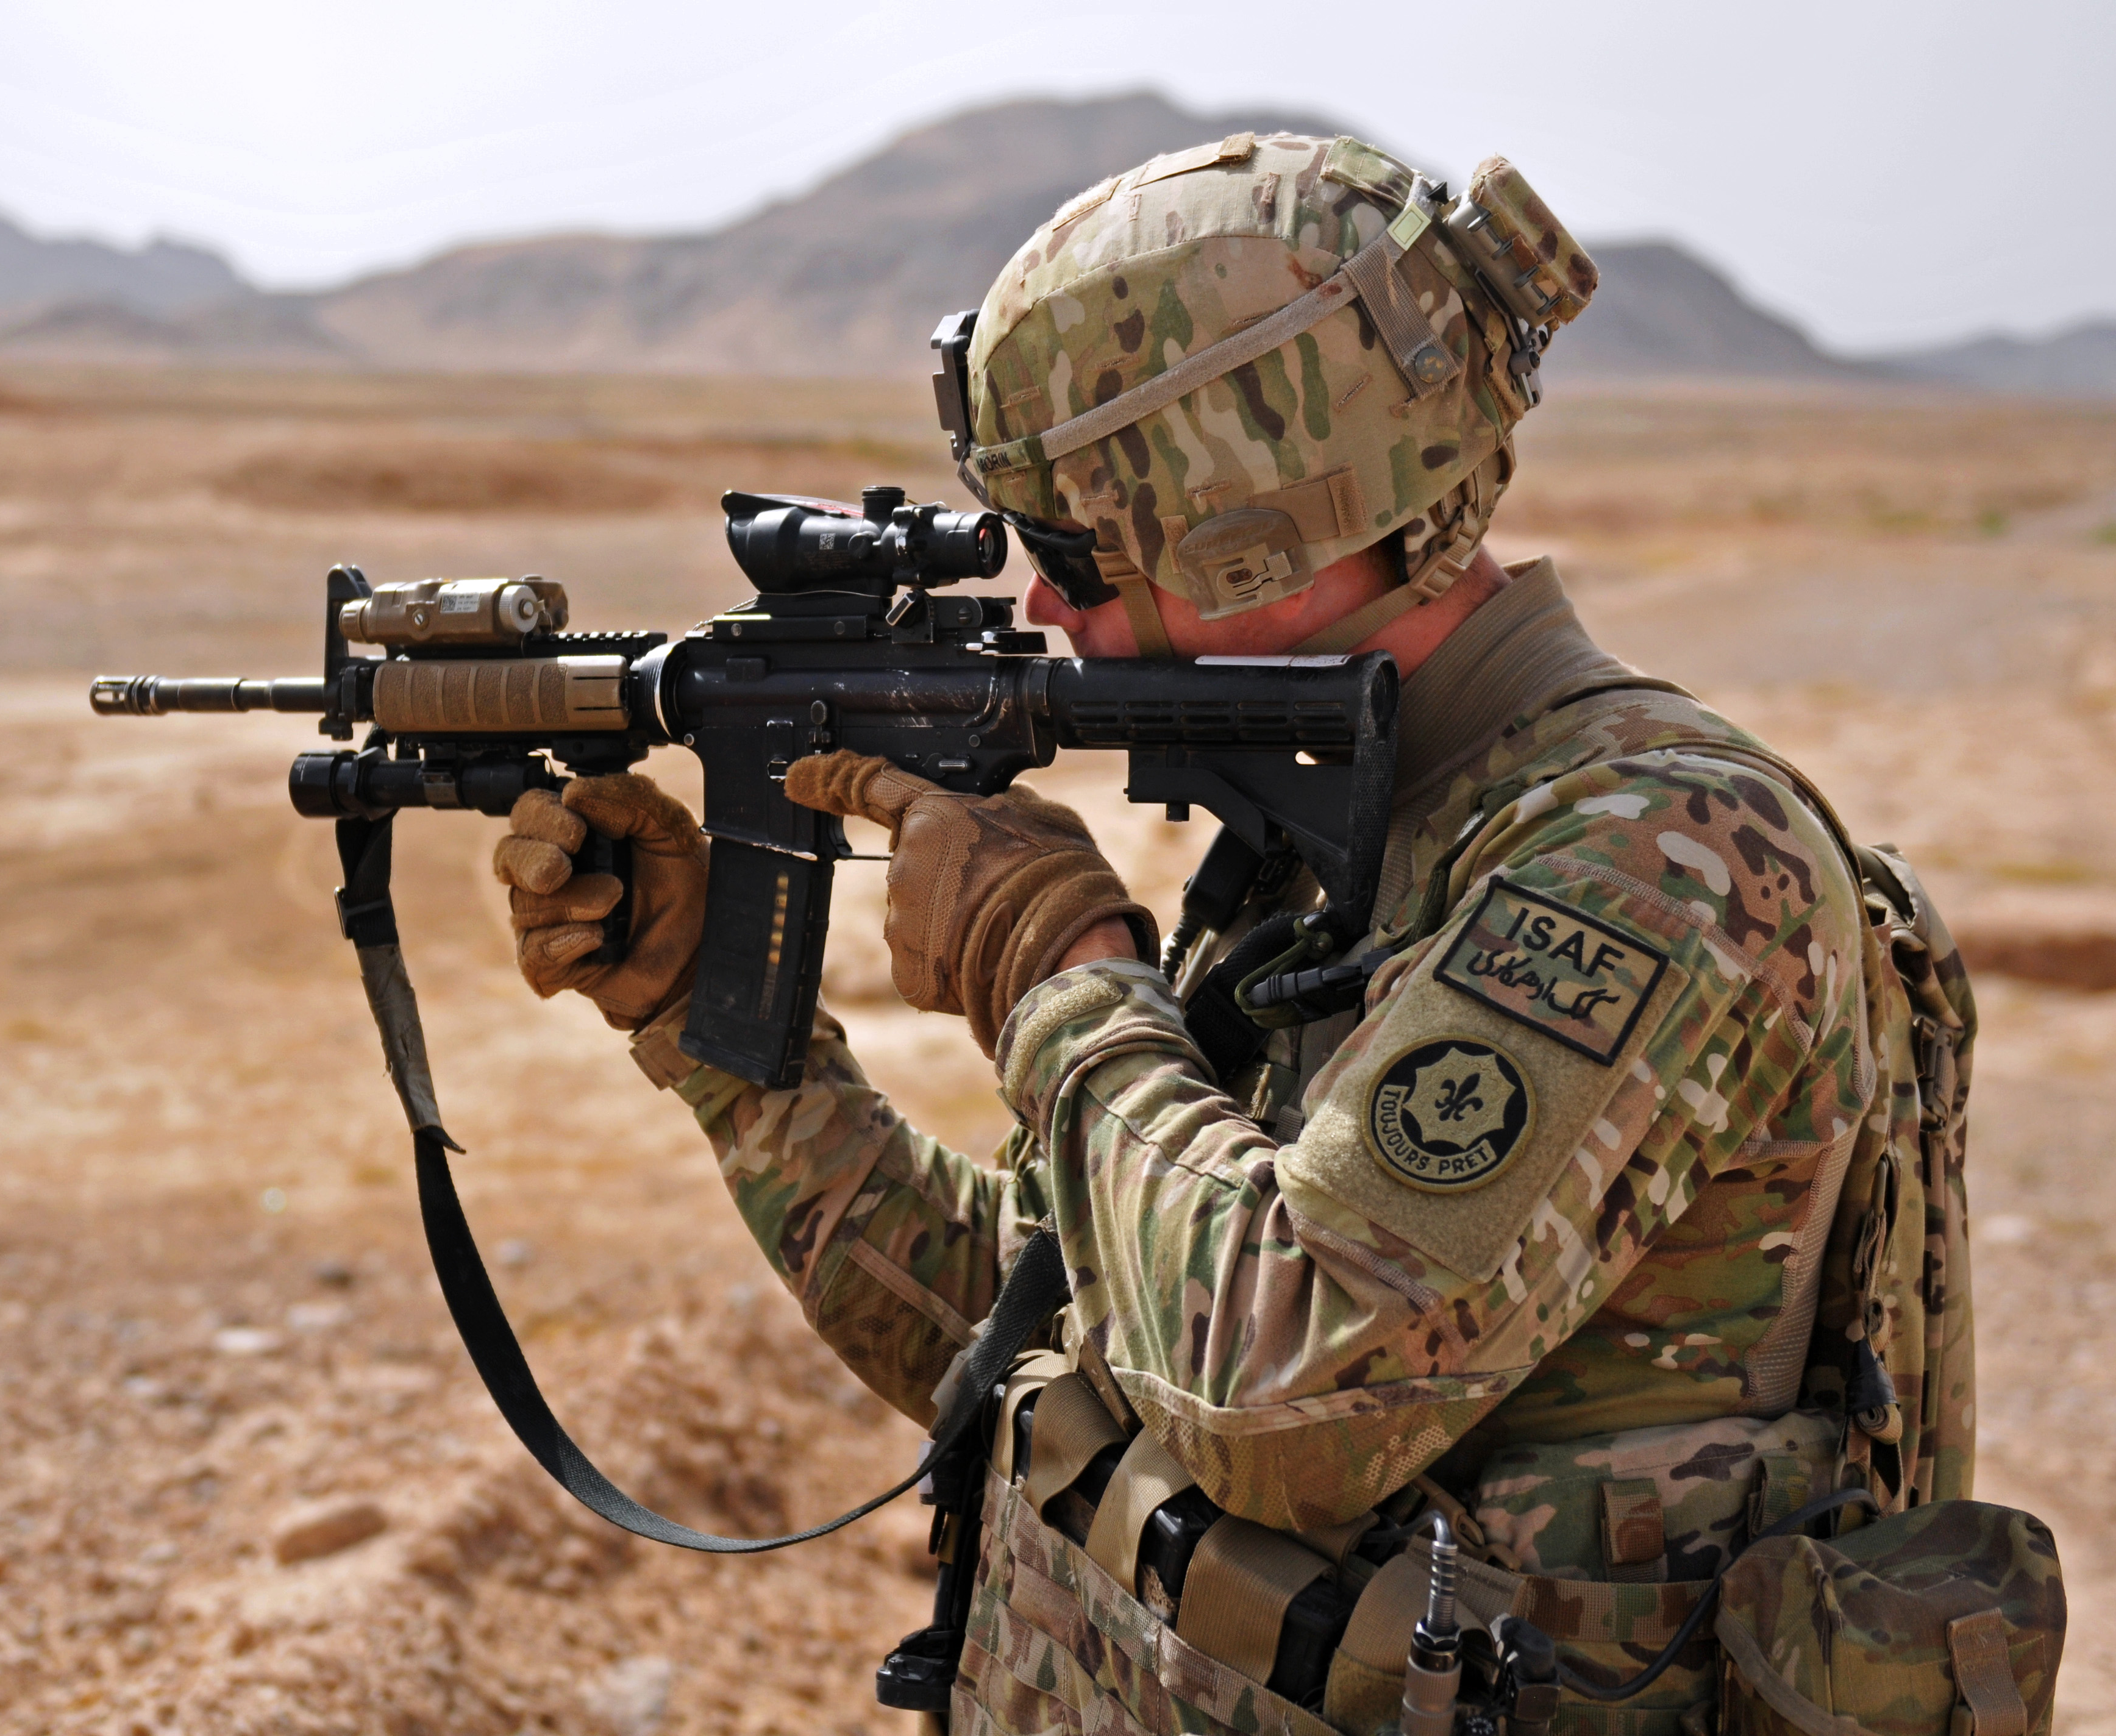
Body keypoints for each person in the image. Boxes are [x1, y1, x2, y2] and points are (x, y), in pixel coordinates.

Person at [490, 131, 1977, 1733]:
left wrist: (1059, 973)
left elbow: (1283, 1393)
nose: (1047, 617)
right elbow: (1049, 1321)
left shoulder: (1653, 859)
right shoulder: (1340, 840)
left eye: (1075, 558)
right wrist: (732, 1047)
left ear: (1254, 531)